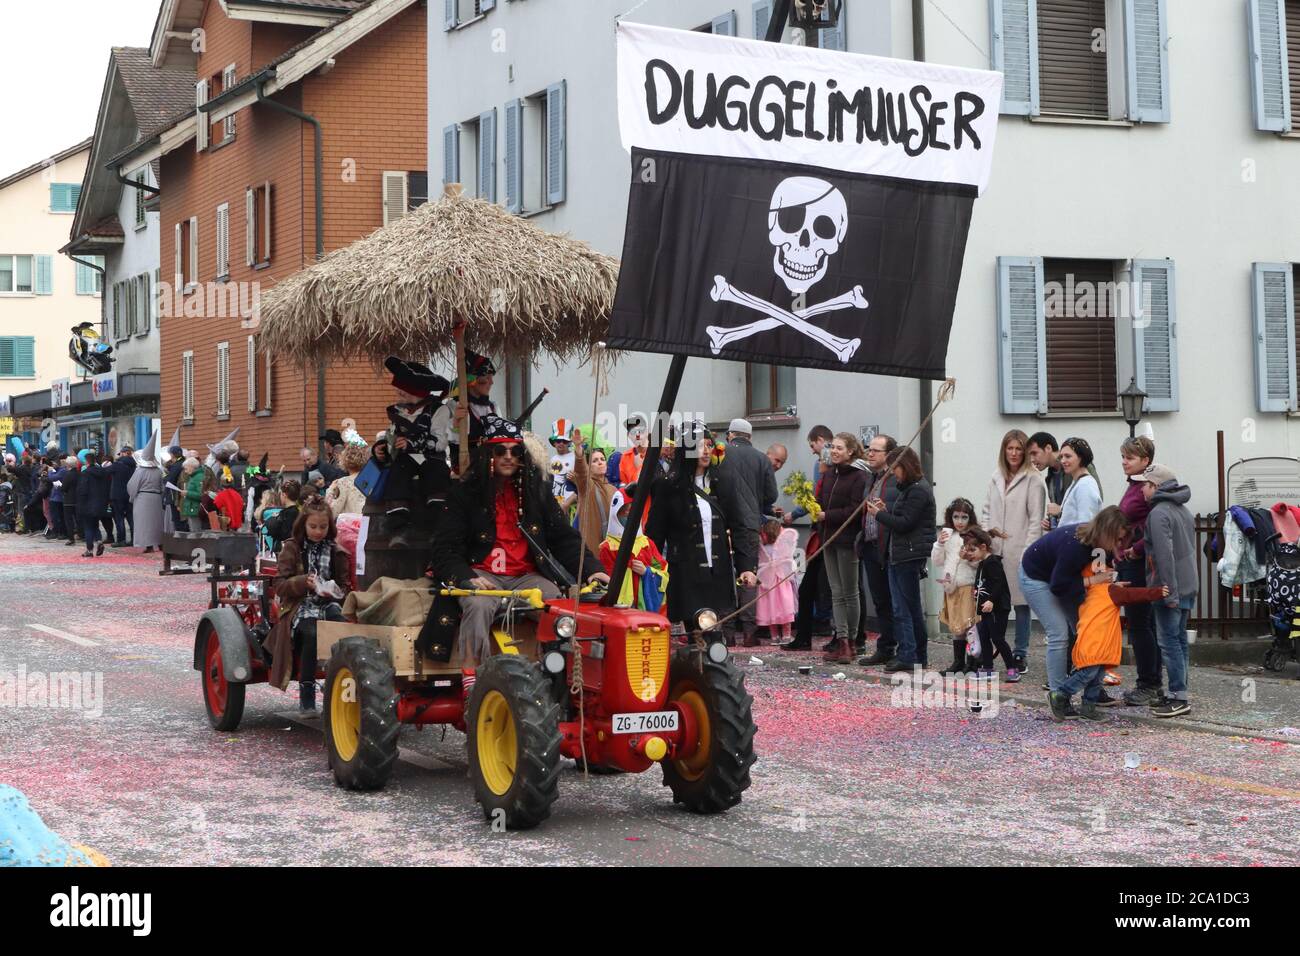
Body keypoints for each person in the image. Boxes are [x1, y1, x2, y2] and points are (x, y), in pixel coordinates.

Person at [426, 415, 608, 701]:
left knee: (559, 606)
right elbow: (444, 550)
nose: (508, 457)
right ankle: (474, 683)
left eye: (515, 451)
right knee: (477, 604)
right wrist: (468, 578)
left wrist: (592, 570)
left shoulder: (537, 491)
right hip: (482, 576)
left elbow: (563, 538)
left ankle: (558, 675)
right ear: (489, 454)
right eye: (501, 451)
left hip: (527, 577)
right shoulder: (465, 494)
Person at [647, 421, 756, 641]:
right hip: (686, 572)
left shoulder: (722, 482)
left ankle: (712, 669)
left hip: (717, 571)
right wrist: (652, 571)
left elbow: (738, 526)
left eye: (708, 444)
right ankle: (701, 668)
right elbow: (655, 534)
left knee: (713, 633)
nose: (705, 450)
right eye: (699, 445)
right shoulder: (667, 486)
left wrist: (746, 567)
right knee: (699, 633)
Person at [1019, 507, 1132, 693]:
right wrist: (1092, 581)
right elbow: (1059, 586)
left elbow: (1101, 576)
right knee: (1059, 634)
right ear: (1105, 531)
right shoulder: (1074, 546)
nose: (1119, 544)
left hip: (1062, 577)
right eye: (1117, 539)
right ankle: (1057, 695)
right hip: (1035, 577)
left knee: (1088, 631)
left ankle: (1093, 691)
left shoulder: (1102, 546)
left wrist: (1112, 585)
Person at [1049, 565, 1167, 722]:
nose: (1113, 572)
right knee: (1089, 674)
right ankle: (1061, 694)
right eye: (1110, 571)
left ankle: (1088, 708)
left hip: (1092, 641)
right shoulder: (1110, 591)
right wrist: (1158, 592)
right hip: (1097, 642)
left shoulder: (1092, 592)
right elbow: (1134, 595)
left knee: (1096, 675)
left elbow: (1125, 593)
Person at [269, 500, 353, 711]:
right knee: (312, 632)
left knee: (344, 628)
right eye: (313, 527)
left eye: (323, 527)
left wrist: (336, 592)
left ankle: (342, 685)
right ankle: (307, 692)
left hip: (328, 604)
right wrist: (301, 582)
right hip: (299, 606)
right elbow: (279, 585)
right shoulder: (292, 547)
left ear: (330, 526)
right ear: (303, 525)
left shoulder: (336, 550)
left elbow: (343, 586)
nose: (318, 531)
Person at [1134, 464, 1198, 718]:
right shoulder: (1182, 509)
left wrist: (1167, 591)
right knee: (1179, 640)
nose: (1141, 489)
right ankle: (1178, 692)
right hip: (1187, 584)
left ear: (1157, 487)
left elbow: (1164, 556)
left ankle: (1178, 695)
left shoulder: (1159, 513)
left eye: (1146, 484)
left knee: (1169, 642)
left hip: (1167, 586)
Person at [981, 429, 1047, 674]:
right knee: (994, 602)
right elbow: (987, 509)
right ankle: (992, 649)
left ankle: (1020, 653)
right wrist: (987, 535)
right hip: (996, 550)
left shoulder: (1033, 479)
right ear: (1003, 450)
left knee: (1021, 604)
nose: (1014, 453)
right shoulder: (996, 476)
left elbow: (1035, 518)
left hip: (1021, 549)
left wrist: (1028, 551)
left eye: (1019, 449)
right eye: (1010, 448)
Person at [865, 447, 937, 672]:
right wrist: (886, 510)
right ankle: (917, 655)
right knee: (909, 607)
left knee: (904, 608)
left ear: (904, 466)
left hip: (908, 554)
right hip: (902, 552)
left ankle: (909, 655)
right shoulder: (911, 489)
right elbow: (904, 518)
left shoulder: (918, 491)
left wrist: (879, 515)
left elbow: (905, 523)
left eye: (894, 468)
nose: (893, 474)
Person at [716, 418, 778, 647]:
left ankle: (728, 633)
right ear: (750, 437)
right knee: (748, 576)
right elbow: (771, 495)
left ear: (730, 435)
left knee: (724, 575)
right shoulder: (761, 458)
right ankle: (750, 633)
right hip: (750, 523)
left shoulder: (720, 454)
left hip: (721, 522)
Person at [1116, 436, 1162, 706]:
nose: (1124, 461)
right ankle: (1151, 680)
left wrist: (1137, 549)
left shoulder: (1147, 487)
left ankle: (1149, 682)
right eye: (1123, 456)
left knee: (1141, 625)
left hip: (1139, 564)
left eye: (1130, 457)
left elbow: (1157, 524)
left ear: (1145, 461)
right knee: (1144, 625)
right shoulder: (1133, 486)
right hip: (1128, 561)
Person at [815, 432, 870, 663]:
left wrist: (827, 515)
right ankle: (842, 641)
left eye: (839, 448)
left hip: (847, 539)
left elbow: (855, 510)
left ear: (850, 451)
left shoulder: (859, 477)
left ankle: (853, 641)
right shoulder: (829, 474)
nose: (834, 451)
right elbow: (822, 501)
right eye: (833, 447)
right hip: (828, 539)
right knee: (836, 592)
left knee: (850, 592)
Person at [858, 434, 900, 665]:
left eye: (876, 450)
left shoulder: (895, 479)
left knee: (895, 600)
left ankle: (901, 648)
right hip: (870, 544)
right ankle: (885, 647)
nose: (870, 453)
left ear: (888, 455)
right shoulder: (870, 478)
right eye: (869, 449)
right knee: (880, 600)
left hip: (889, 547)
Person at [963, 528, 1021, 681]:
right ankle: (988, 668)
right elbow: (984, 583)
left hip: (997, 609)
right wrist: (977, 593)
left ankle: (1012, 668)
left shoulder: (993, 562)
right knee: (984, 636)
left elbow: (999, 583)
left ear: (983, 547)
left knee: (997, 638)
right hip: (986, 608)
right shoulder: (982, 563)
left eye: (972, 549)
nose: (970, 553)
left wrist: (991, 600)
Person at [599, 485, 668, 612]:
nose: (627, 514)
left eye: (631, 510)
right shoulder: (608, 547)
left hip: (647, 610)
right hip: (621, 610)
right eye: (623, 510)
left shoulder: (647, 544)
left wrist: (646, 572)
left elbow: (664, 572)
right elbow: (605, 582)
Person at [933, 497, 980, 674]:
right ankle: (958, 662)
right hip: (950, 587)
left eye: (964, 517)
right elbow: (937, 561)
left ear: (970, 518)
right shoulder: (948, 536)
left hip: (968, 586)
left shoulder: (974, 536)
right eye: (956, 517)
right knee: (956, 626)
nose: (959, 522)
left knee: (969, 625)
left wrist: (968, 557)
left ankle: (973, 662)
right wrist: (939, 543)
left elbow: (980, 562)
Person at [447, 350, 499, 468]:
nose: (491, 382)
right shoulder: (454, 405)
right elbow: (447, 440)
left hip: (489, 463)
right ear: (472, 381)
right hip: (465, 465)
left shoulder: (493, 407)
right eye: (487, 378)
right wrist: (455, 423)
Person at [568, 432, 616, 558]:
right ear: (589, 467)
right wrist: (578, 450)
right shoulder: (587, 486)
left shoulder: (613, 490)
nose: (600, 462)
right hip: (593, 550)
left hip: (612, 551)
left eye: (602, 459)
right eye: (594, 461)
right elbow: (581, 472)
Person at [757, 517, 798, 644]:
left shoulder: (762, 547)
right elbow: (789, 561)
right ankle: (786, 635)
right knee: (785, 607)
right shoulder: (782, 546)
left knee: (770, 608)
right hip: (781, 580)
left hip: (766, 581)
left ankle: (774, 637)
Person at [1027, 432, 1072, 531]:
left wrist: (1061, 510)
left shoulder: (1075, 467)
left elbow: (1092, 503)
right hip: (1064, 536)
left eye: (1034, 453)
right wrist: (1051, 522)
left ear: (1048, 448)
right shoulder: (1050, 477)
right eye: (1030, 455)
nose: (1032, 459)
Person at [126, 439, 165, 553]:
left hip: (143, 498)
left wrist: (132, 497)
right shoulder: (158, 471)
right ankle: (160, 542)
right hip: (156, 498)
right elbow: (162, 485)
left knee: (144, 523)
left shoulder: (140, 471)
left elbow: (132, 485)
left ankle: (148, 544)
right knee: (157, 522)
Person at [75, 452, 112, 558]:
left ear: (86, 461)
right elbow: (107, 487)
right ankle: (99, 541)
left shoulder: (85, 473)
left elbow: (82, 491)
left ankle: (89, 549)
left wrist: (79, 504)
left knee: (88, 527)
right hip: (100, 503)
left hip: (87, 503)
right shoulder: (103, 472)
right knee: (95, 524)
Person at [1058, 437, 1102, 525]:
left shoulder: (1085, 485)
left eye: (1068, 456)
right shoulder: (1077, 482)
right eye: (1061, 457)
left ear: (1081, 457)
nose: (1063, 461)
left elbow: (1086, 524)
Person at [326, 442, 369, 518]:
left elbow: (332, 512)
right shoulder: (370, 480)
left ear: (344, 461)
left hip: (351, 527)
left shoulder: (343, 482)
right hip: (369, 525)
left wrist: (330, 490)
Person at [266, 479, 303, 551]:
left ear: (284, 495)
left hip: (286, 549)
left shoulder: (287, 513)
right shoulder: (299, 511)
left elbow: (285, 534)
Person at [179, 457, 206, 533]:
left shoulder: (198, 477)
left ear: (191, 467)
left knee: (196, 532)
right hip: (192, 508)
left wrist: (187, 493)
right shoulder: (193, 477)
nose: (185, 471)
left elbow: (202, 495)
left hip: (196, 509)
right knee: (194, 531)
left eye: (186, 469)